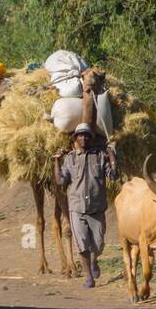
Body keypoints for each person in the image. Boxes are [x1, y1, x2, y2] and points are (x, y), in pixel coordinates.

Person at [53, 123, 118, 288]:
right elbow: (60, 181)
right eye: (80, 135)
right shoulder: (70, 159)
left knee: (98, 244)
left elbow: (113, 176)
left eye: (87, 135)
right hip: (77, 209)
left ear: (91, 138)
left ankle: (95, 260)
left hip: (97, 208)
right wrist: (56, 162)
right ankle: (89, 277)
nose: (83, 138)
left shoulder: (100, 157)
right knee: (82, 245)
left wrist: (111, 156)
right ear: (75, 139)